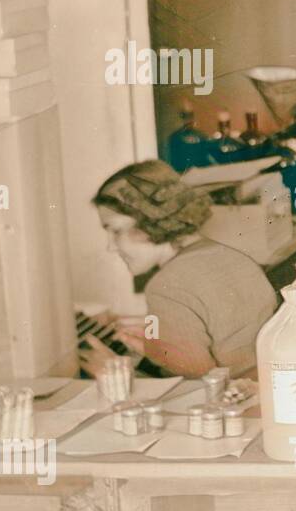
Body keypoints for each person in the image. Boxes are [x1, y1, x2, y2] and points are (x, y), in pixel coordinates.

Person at [92, 160, 277, 377]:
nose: (110, 246)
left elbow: (196, 382)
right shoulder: (231, 255)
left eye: (115, 231)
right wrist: (155, 342)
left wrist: (115, 371)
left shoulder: (166, 286)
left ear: (149, 219)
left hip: (235, 400)